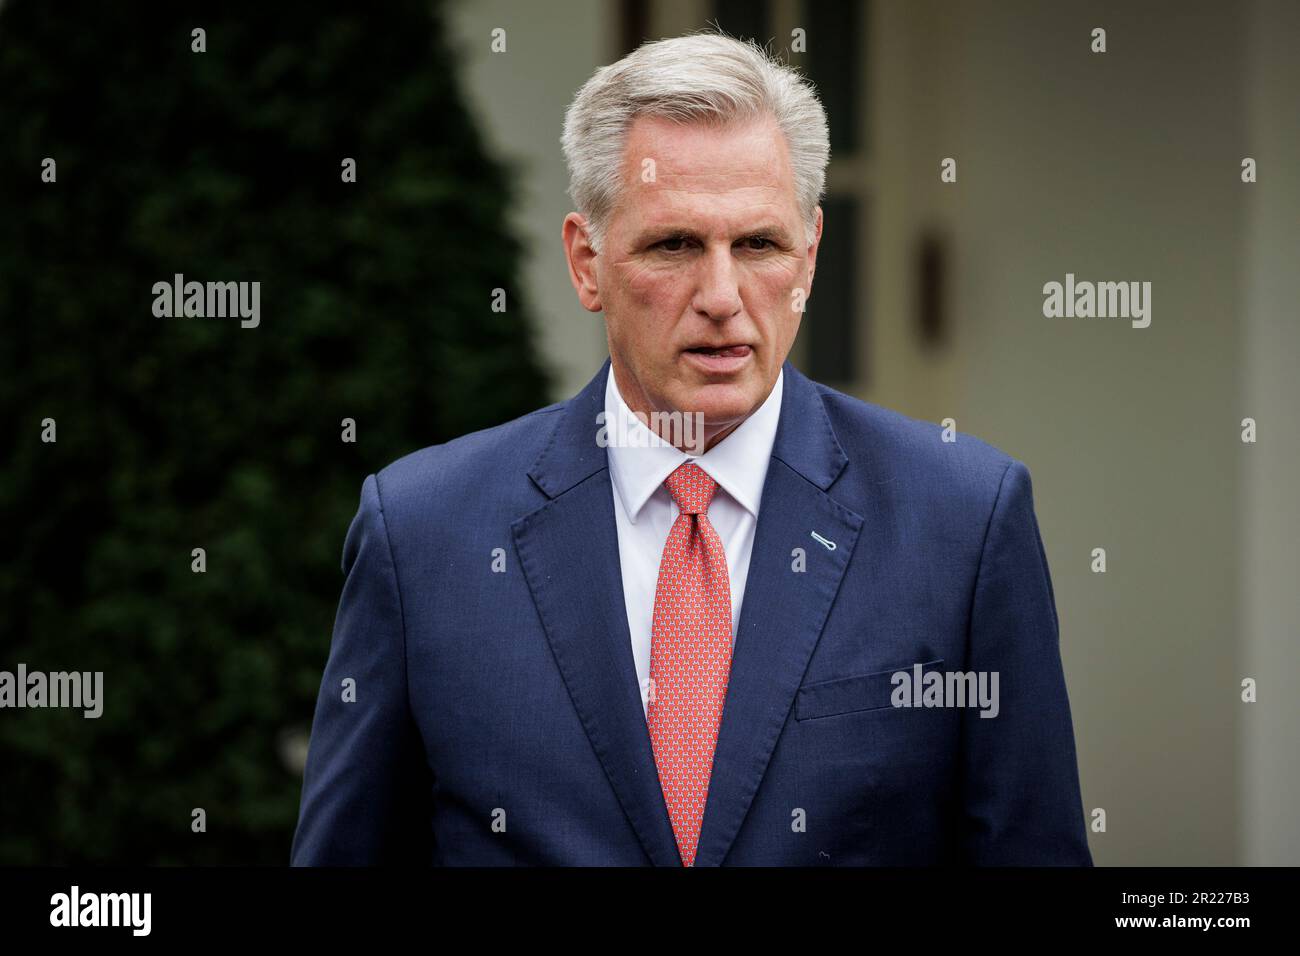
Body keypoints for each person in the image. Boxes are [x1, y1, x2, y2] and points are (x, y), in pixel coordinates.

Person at [290, 31, 1092, 866]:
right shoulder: (424, 534)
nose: (721, 297)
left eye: (758, 246)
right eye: (674, 246)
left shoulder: (962, 521)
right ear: (586, 261)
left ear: (809, 258)